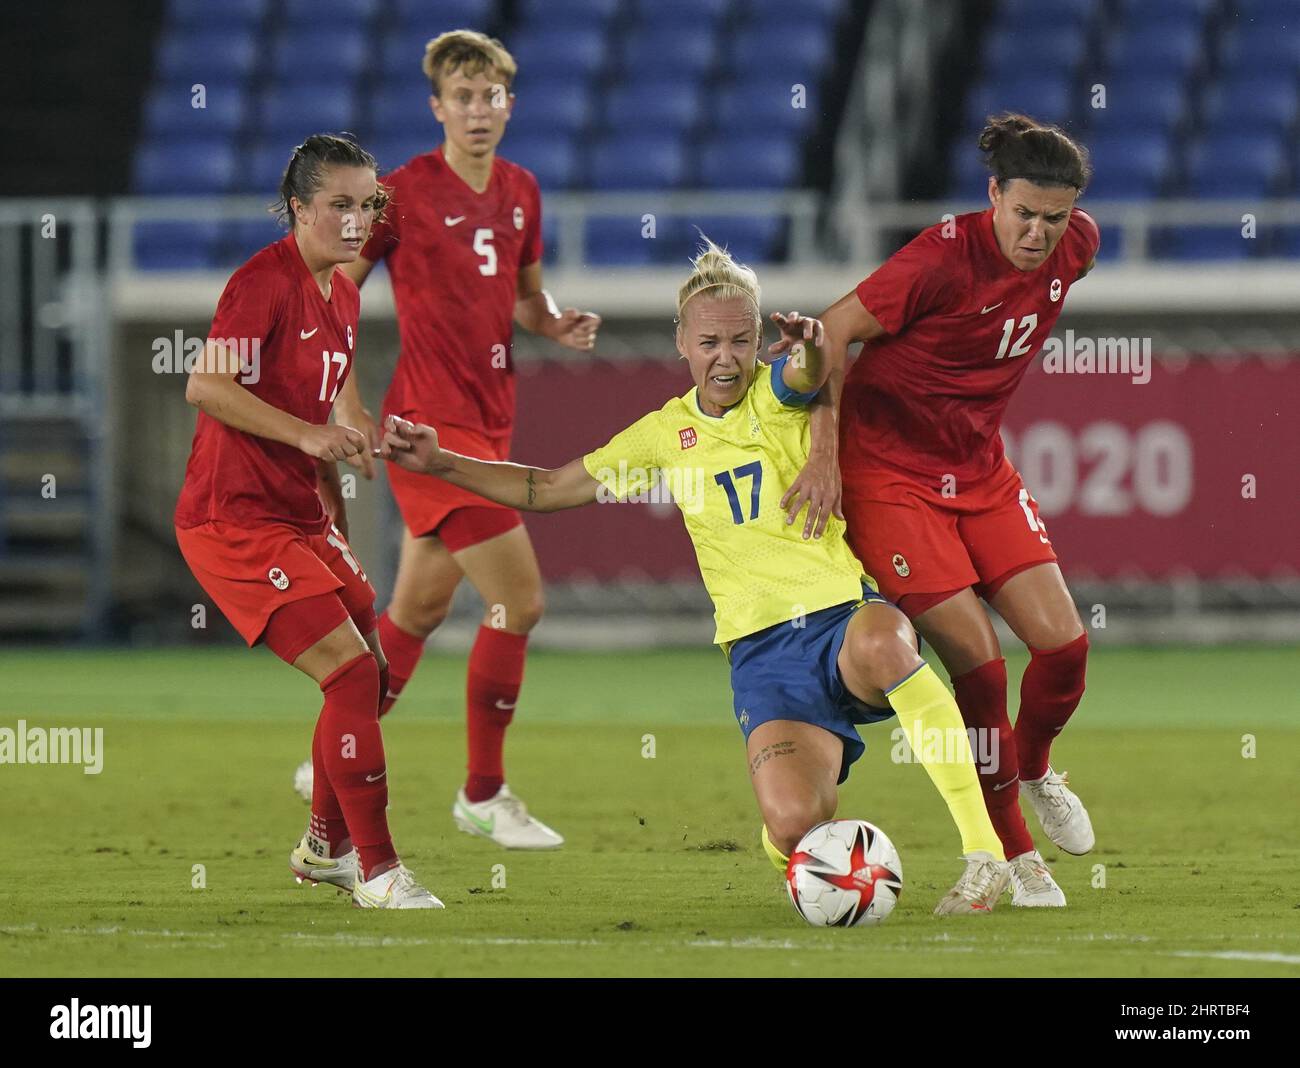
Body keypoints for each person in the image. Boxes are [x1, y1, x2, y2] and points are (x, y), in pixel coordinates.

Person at [379, 239, 1017, 915]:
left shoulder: (778, 396)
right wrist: (441, 462)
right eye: (710, 341)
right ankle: (803, 860)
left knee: (890, 640)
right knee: (796, 821)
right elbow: (547, 488)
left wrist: (805, 348)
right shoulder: (663, 435)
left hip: (840, 621)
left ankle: (986, 857)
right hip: (764, 659)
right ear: (682, 342)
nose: (726, 357)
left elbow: (806, 371)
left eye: (742, 340)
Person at [294, 30, 600, 850]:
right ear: (438, 107)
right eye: (462, 98)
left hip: (489, 423)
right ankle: (483, 792)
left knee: (418, 609)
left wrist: (556, 322)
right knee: (521, 599)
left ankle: (330, 753)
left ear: (509, 104)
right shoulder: (401, 193)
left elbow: (526, 301)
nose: (478, 110)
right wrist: (347, 406)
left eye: (491, 96)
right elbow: (335, 293)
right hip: (425, 430)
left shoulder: (524, 191)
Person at [798, 114, 1101, 907]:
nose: (1038, 234)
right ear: (993, 195)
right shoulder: (937, 258)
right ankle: (1013, 855)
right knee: (980, 664)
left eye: (1055, 218)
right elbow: (830, 331)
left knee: (1065, 649)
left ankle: (1033, 769)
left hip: (979, 469)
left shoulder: (1080, 246)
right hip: (888, 477)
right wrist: (824, 452)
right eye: (1023, 214)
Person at [175, 134, 440, 909]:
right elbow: (204, 386)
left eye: (369, 206)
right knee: (352, 673)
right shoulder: (263, 281)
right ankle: (378, 868)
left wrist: (338, 477)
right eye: (340, 206)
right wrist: (309, 434)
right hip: (233, 519)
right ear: (297, 208)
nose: (358, 222)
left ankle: (325, 844)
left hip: (297, 516)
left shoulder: (345, 295)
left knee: (373, 660)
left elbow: (321, 407)